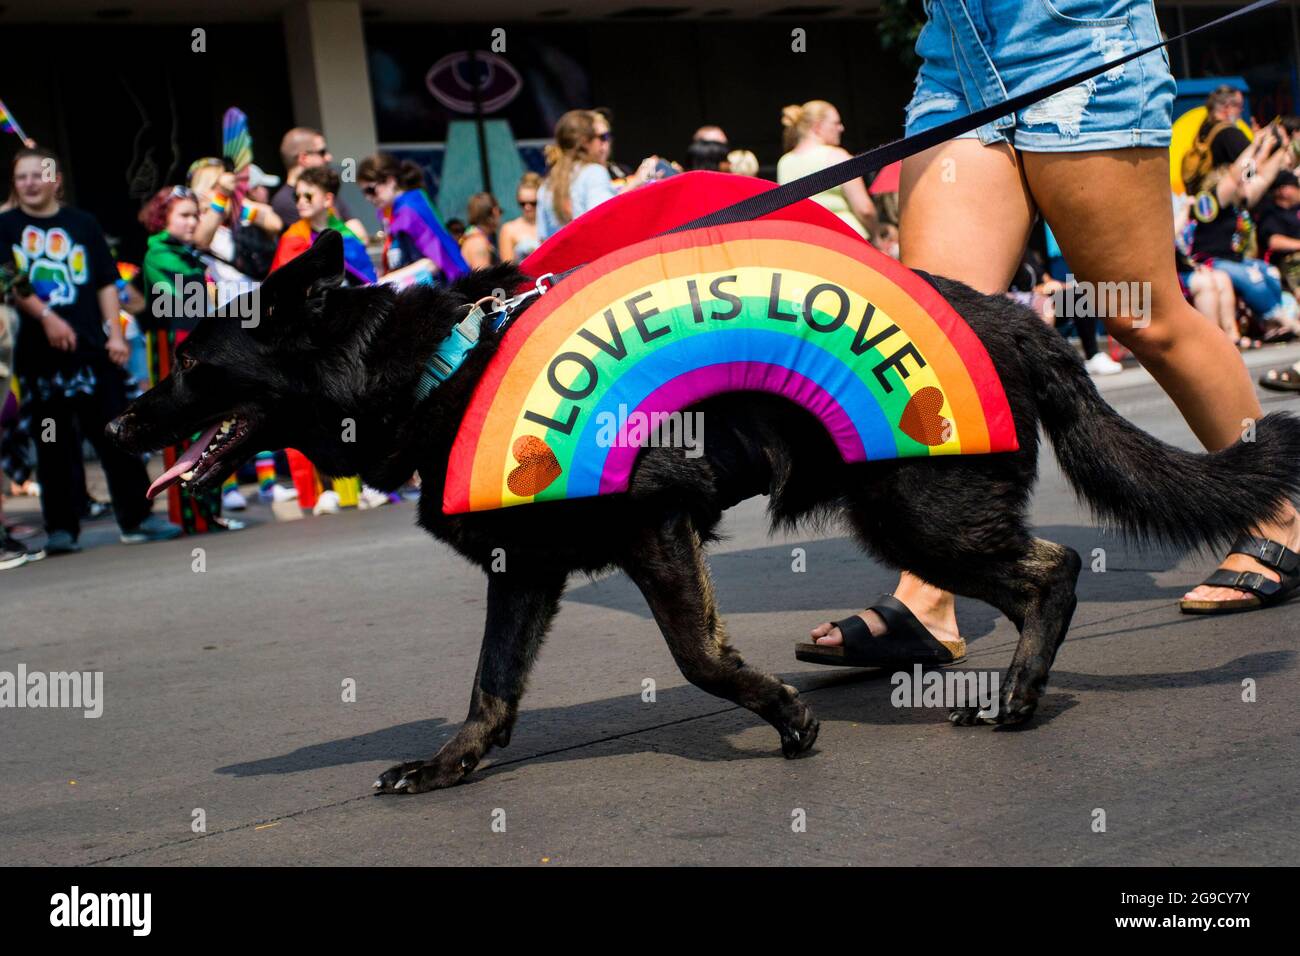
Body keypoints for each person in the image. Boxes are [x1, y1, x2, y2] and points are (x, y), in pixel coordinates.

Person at [805, 0, 1300, 666]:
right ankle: (928, 596)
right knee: (933, 340)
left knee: (1141, 317)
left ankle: (1276, 518)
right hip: (958, 56)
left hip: (1077, 39)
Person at [0, 147, 180, 553]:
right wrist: (46, 317)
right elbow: (9, 278)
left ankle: (137, 518)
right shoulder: (5, 226)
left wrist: (115, 334)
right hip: (38, 357)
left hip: (93, 351)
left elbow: (105, 282)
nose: (29, 182)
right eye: (21, 176)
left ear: (56, 180)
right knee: (53, 445)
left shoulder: (82, 224)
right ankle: (61, 529)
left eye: (37, 174)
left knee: (115, 434)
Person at [138, 186, 237, 534]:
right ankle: (191, 517)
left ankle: (209, 513)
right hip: (176, 348)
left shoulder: (188, 253)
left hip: (198, 346)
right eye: (184, 215)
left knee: (210, 425)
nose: (193, 221)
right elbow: (183, 302)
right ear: (162, 218)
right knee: (183, 426)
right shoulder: (159, 254)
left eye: (196, 214)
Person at [537, 110, 660, 241]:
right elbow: (604, 217)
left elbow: (543, 238)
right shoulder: (593, 172)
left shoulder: (547, 183)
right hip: (593, 259)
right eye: (601, 137)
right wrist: (636, 182)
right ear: (585, 142)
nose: (604, 143)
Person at [356, 152, 468, 282]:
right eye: (364, 193)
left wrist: (385, 281)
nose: (368, 198)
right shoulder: (394, 212)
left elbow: (434, 262)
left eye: (371, 190)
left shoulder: (410, 211)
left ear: (390, 181)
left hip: (448, 289)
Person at [778, 100, 877, 240]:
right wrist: (876, 235)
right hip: (846, 239)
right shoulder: (837, 156)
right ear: (817, 127)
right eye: (836, 123)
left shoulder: (784, 162)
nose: (841, 128)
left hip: (807, 242)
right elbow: (865, 210)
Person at [271, 166, 376, 285]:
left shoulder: (346, 236)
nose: (301, 201)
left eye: (308, 196)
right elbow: (278, 285)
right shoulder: (292, 238)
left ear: (327, 199)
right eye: (297, 196)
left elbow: (367, 281)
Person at [272, 127, 368, 242]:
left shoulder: (324, 189)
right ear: (304, 158)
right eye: (322, 152)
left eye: (308, 196)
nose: (328, 157)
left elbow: (360, 236)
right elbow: (327, 241)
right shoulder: (283, 201)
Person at [498, 171, 542, 262]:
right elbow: (508, 270)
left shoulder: (551, 226)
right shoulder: (509, 229)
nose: (527, 207)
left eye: (533, 203)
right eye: (522, 203)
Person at [459, 192, 500, 269]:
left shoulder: (473, 237)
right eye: (499, 211)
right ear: (495, 211)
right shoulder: (478, 243)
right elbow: (483, 279)